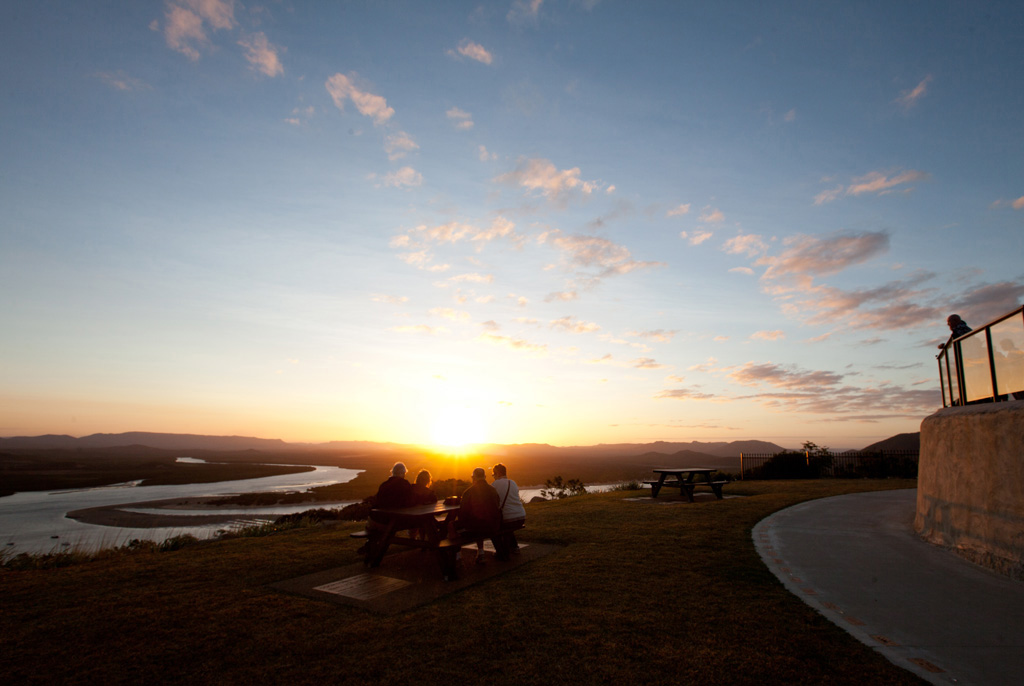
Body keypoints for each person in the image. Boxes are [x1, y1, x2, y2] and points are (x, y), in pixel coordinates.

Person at [360, 462, 413, 554]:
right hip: (391, 521)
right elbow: (409, 502)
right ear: (403, 473)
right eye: (404, 473)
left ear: (393, 472)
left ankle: (370, 544)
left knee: (373, 529)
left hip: (376, 519)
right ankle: (375, 549)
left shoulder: (384, 485)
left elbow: (377, 502)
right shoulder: (405, 485)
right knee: (387, 533)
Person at [456, 467, 503, 564]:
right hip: (494, 526)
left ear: (473, 478)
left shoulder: (469, 492)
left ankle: (457, 557)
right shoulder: (493, 490)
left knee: (451, 526)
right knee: (478, 520)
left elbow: (462, 513)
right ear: (485, 477)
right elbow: (497, 505)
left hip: (477, 528)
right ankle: (480, 553)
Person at [491, 463, 526, 554]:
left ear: (498, 473)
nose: (493, 476)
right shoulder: (512, 483)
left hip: (509, 520)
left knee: (492, 529)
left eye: (493, 474)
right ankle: (514, 547)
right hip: (521, 517)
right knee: (508, 527)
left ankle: (501, 551)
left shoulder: (495, 484)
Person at [409, 469, 439, 541]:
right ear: (427, 481)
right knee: (428, 520)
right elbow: (435, 503)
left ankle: (420, 539)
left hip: (409, 518)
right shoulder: (429, 493)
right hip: (422, 519)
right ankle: (434, 540)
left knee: (426, 519)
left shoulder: (410, 489)